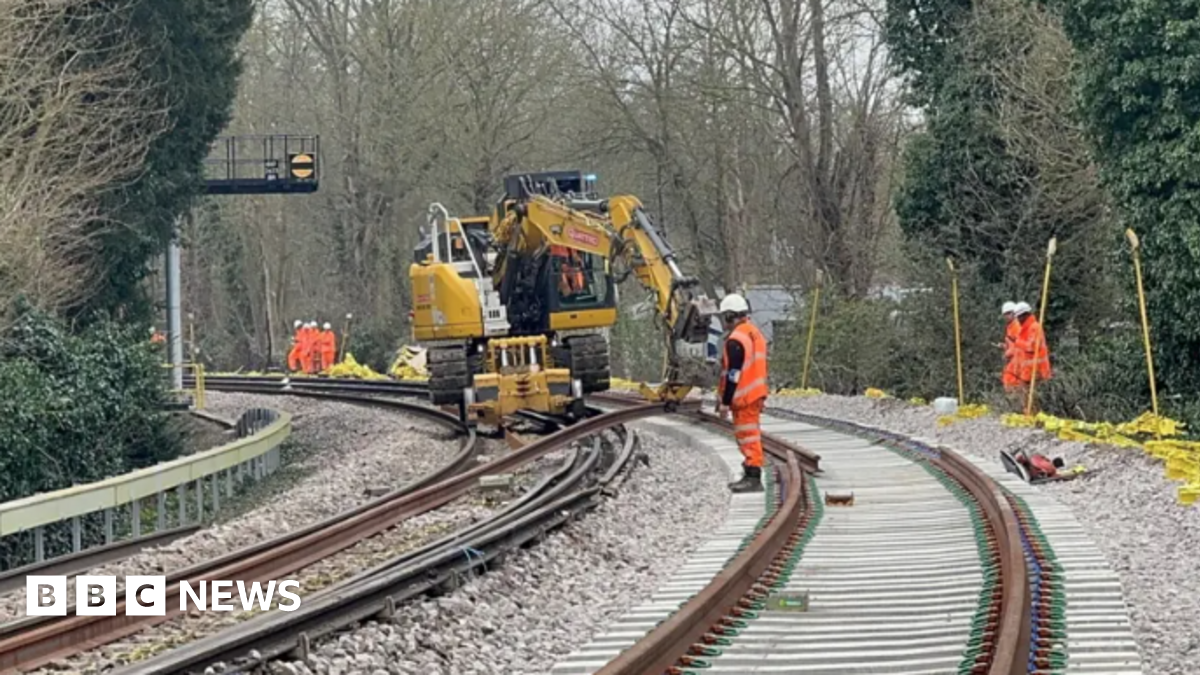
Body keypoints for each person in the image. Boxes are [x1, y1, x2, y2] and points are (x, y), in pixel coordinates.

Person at [715, 293, 769, 493]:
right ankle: (750, 472)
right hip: (756, 393)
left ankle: (753, 477)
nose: (724, 323)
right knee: (751, 435)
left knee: (748, 437)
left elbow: (733, 374)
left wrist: (725, 401)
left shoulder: (735, 340)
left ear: (730, 316)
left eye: (724, 318)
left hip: (744, 397)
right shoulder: (755, 334)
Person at [1012, 302, 1051, 408]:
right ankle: (1028, 413)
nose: (1018, 320)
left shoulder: (1035, 327)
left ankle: (1034, 414)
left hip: (1037, 371)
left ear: (1025, 315)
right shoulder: (1025, 329)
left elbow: (1032, 347)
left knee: (1035, 397)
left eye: (1019, 317)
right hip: (1028, 371)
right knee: (1025, 396)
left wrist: (1017, 342)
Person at [999, 302, 1020, 393]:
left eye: (1008, 313)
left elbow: (1020, 345)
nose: (1006, 316)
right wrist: (1004, 346)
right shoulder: (1010, 326)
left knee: (1012, 381)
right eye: (1005, 314)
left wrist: (1007, 353)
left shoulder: (1017, 326)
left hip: (1018, 359)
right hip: (1013, 359)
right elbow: (1012, 343)